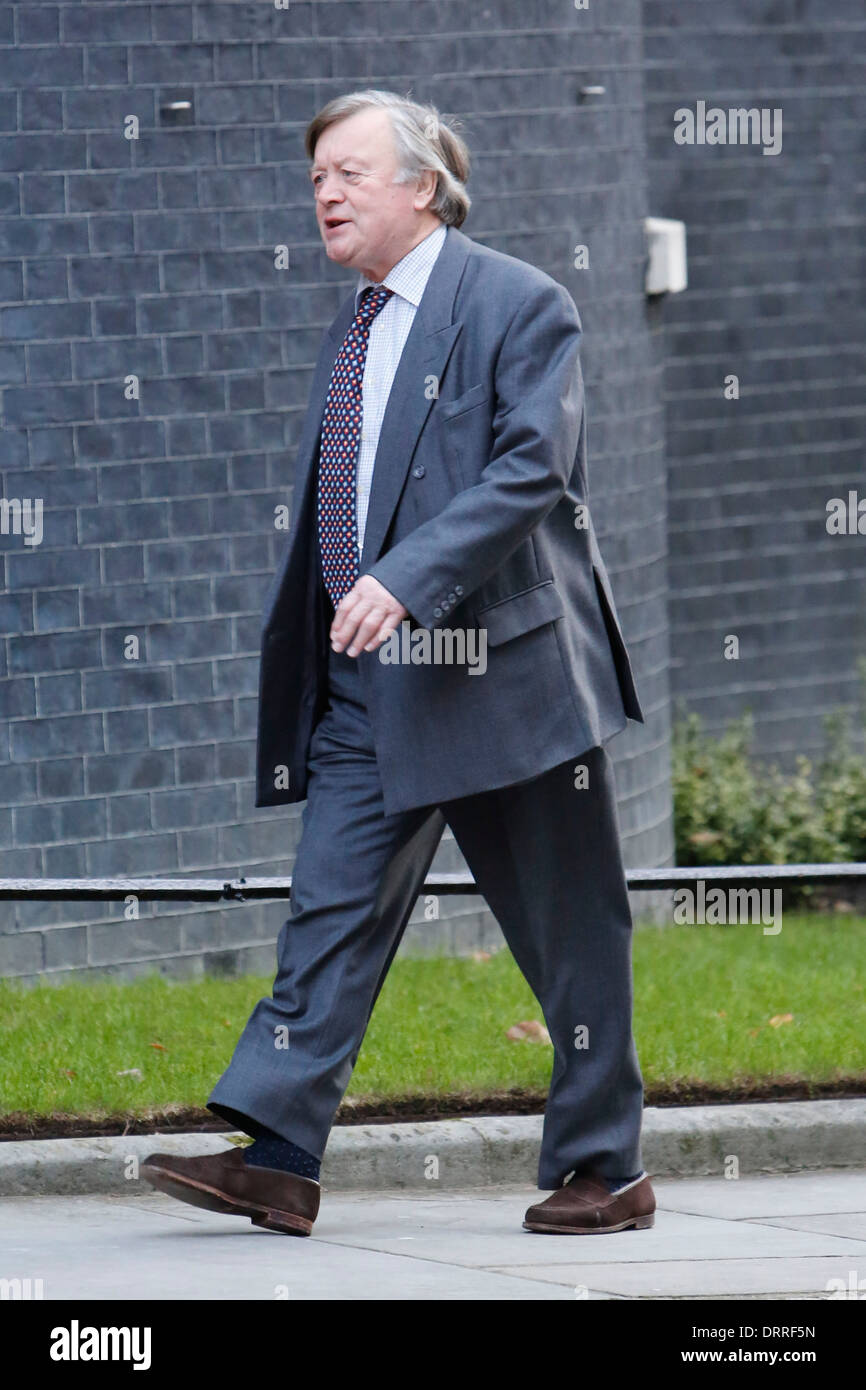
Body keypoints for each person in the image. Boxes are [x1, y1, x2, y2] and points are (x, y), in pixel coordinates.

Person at [143, 89, 655, 1238]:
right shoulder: (357, 322)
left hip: (503, 675)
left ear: (421, 185)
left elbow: (533, 472)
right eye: (315, 174)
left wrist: (405, 577)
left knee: (569, 930)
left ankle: (604, 1166)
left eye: (347, 171)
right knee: (329, 908)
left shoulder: (520, 301)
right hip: (372, 686)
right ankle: (277, 1156)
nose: (322, 190)